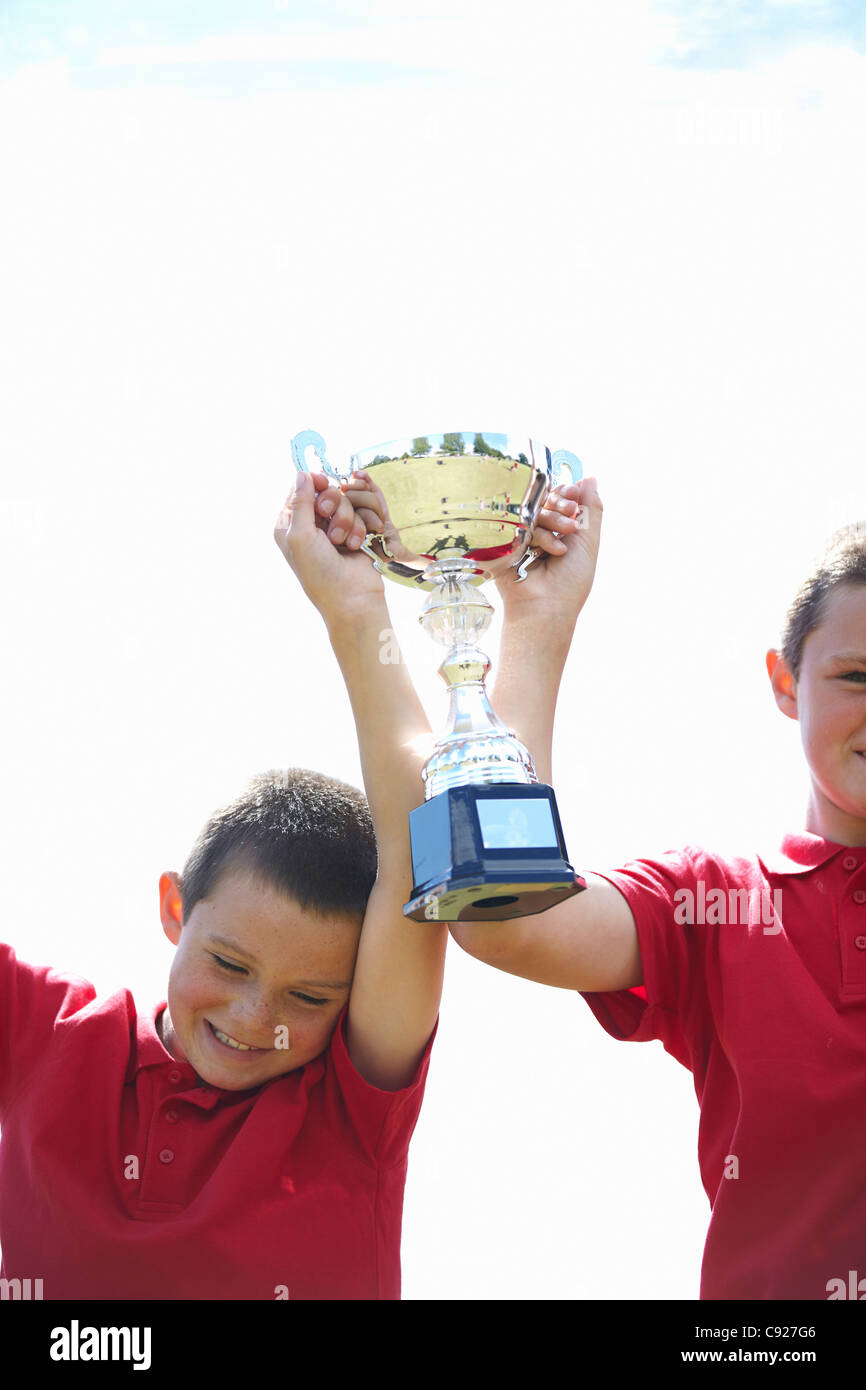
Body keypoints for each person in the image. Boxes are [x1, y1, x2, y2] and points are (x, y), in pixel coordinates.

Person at [447, 498, 866, 1301]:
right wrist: (537, 627)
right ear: (786, 683)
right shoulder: (714, 902)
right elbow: (502, 916)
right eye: (856, 675)